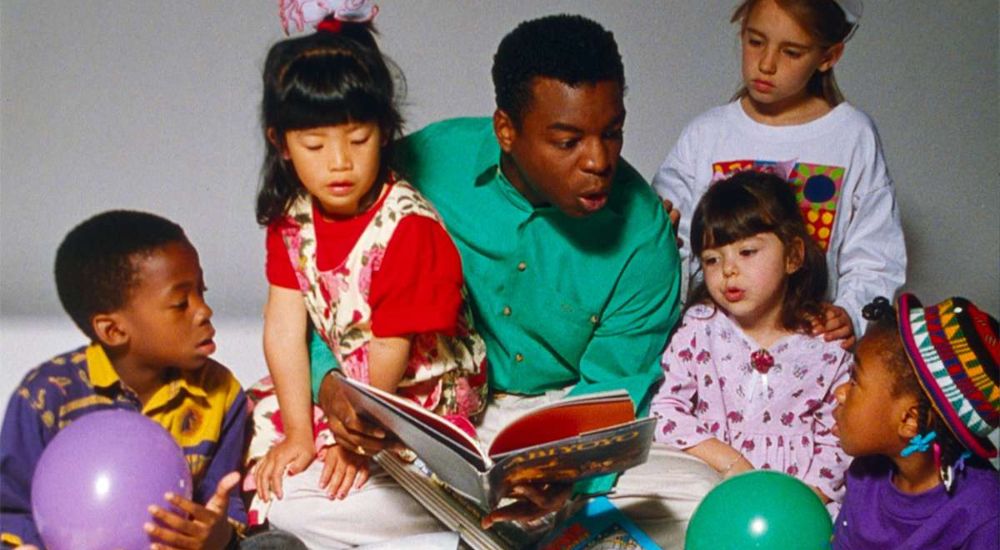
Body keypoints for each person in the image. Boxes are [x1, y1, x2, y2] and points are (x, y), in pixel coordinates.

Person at [263, 12, 718, 549]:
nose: (598, 160)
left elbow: (611, 391)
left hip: (559, 416)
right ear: (506, 129)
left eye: (612, 133)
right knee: (290, 502)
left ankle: (491, 532)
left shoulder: (643, 236)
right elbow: (331, 288)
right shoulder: (424, 163)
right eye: (567, 141)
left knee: (700, 499)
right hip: (431, 415)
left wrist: (563, 474)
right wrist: (333, 385)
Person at [246, 5, 488, 526]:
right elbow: (284, 328)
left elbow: (389, 349)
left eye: (358, 140)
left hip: (411, 392)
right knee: (260, 434)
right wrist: (299, 434)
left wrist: (356, 441)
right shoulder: (291, 218)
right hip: (351, 376)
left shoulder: (407, 228)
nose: (339, 162)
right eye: (314, 145)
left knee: (359, 490)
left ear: (385, 132)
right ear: (281, 144)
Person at [652, 0, 905, 346]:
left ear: (829, 56)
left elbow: (876, 255)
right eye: (756, 41)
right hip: (713, 352)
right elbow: (668, 247)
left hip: (811, 353)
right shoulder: (706, 134)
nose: (766, 64)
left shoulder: (852, 135)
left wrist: (850, 312)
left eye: (791, 52)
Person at [0, 211, 247, 549]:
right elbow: (10, 507)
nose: (204, 311)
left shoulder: (221, 394)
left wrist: (219, 535)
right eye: (180, 303)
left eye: (201, 292)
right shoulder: (46, 396)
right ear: (113, 330)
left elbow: (224, 502)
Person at [650, 171, 852, 511]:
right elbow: (665, 408)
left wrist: (800, 504)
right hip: (711, 487)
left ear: (793, 256)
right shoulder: (699, 329)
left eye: (746, 252)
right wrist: (732, 465)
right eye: (712, 259)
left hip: (797, 505)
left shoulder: (827, 344)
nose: (728, 270)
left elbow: (841, 437)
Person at [831, 295, 999, 548]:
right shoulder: (864, 474)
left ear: (910, 420)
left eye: (854, 380)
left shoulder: (985, 516)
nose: (840, 392)